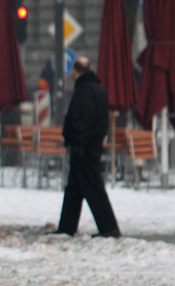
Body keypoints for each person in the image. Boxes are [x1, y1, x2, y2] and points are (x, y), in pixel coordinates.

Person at [51, 57, 121, 238]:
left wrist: (76, 142)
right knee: (74, 188)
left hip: (84, 148)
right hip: (92, 146)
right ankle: (66, 227)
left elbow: (80, 118)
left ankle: (109, 228)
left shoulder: (84, 90)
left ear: (75, 72)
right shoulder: (98, 88)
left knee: (93, 187)